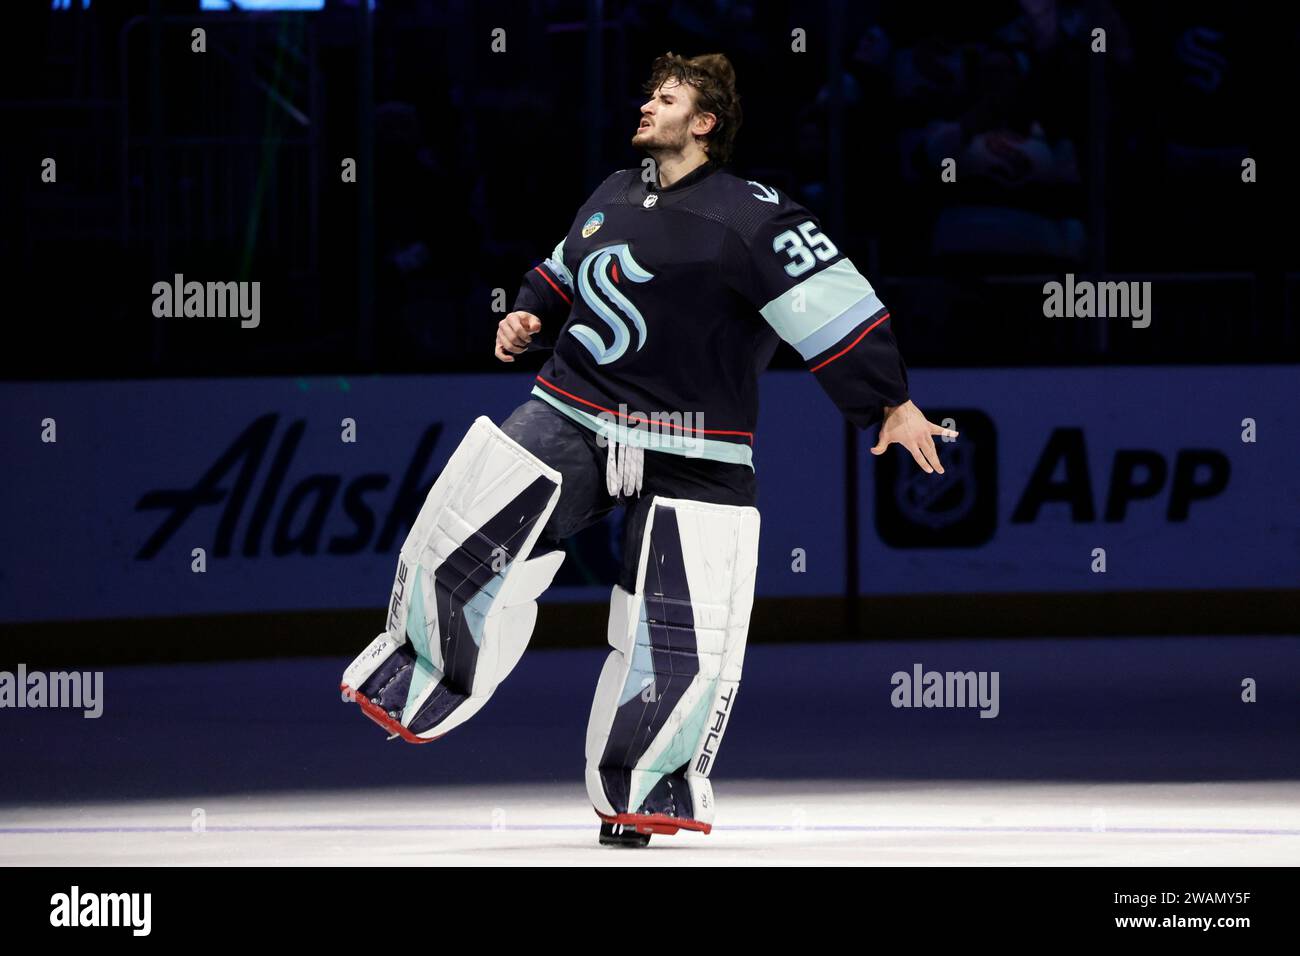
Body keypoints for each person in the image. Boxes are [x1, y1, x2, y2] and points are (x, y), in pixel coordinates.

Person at [343, 51, 957, 848]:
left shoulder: (753, 216)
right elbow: (563, 269)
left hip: (697, 442)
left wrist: (890, 401)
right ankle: (418, 676)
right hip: (576, 411)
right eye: (648, 95)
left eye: (665, 99)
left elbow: (832, 303)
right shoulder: (610, 192)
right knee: (462, 531)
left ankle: (642, 786)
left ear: (702, 124)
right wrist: (527, 313)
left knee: (681, 630)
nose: (646, 107)